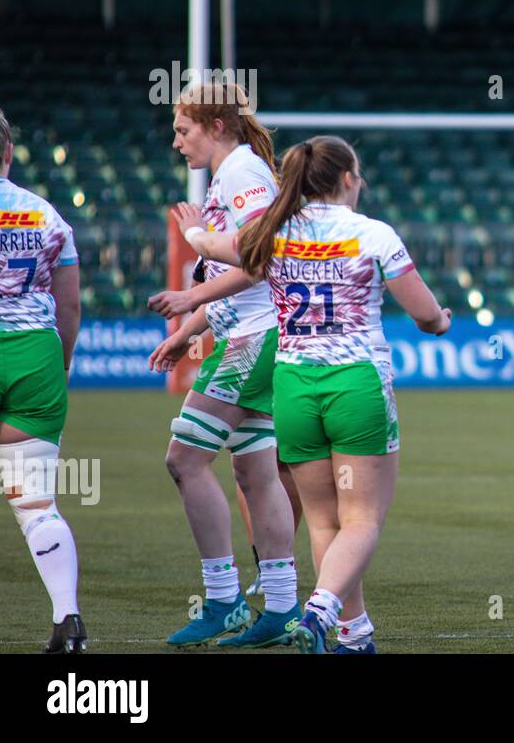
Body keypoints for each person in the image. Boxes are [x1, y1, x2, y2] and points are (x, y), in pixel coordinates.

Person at [174, 135, 452, 653]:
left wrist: (192, 228)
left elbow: (216, 248)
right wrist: (441, 321)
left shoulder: (273, 233)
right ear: (348, 179)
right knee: (362, 519)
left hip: (294, 386)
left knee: (324, 521)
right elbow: (425, 312)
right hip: (355, 384)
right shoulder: (373, 233)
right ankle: (321, 611)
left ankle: (354, 632)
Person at [145, 83, 300, 648]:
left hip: (256, 340)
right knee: (254, 472)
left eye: (183, 129)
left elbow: (260, 262)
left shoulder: (242, 174)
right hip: (252, 333)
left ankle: (224, 599)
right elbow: (234, 281)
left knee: (184, 458)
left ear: (215, 125)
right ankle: (281, 607)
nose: (176, 140)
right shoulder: (235, 172)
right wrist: (188, 330)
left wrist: (195, 240)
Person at [0, 107, 85, 653]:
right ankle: (68, 618)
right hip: (35, 357)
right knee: (34, 504)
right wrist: (63, 361)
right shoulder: (46, 214)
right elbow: (68, 302)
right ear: (7, 152)